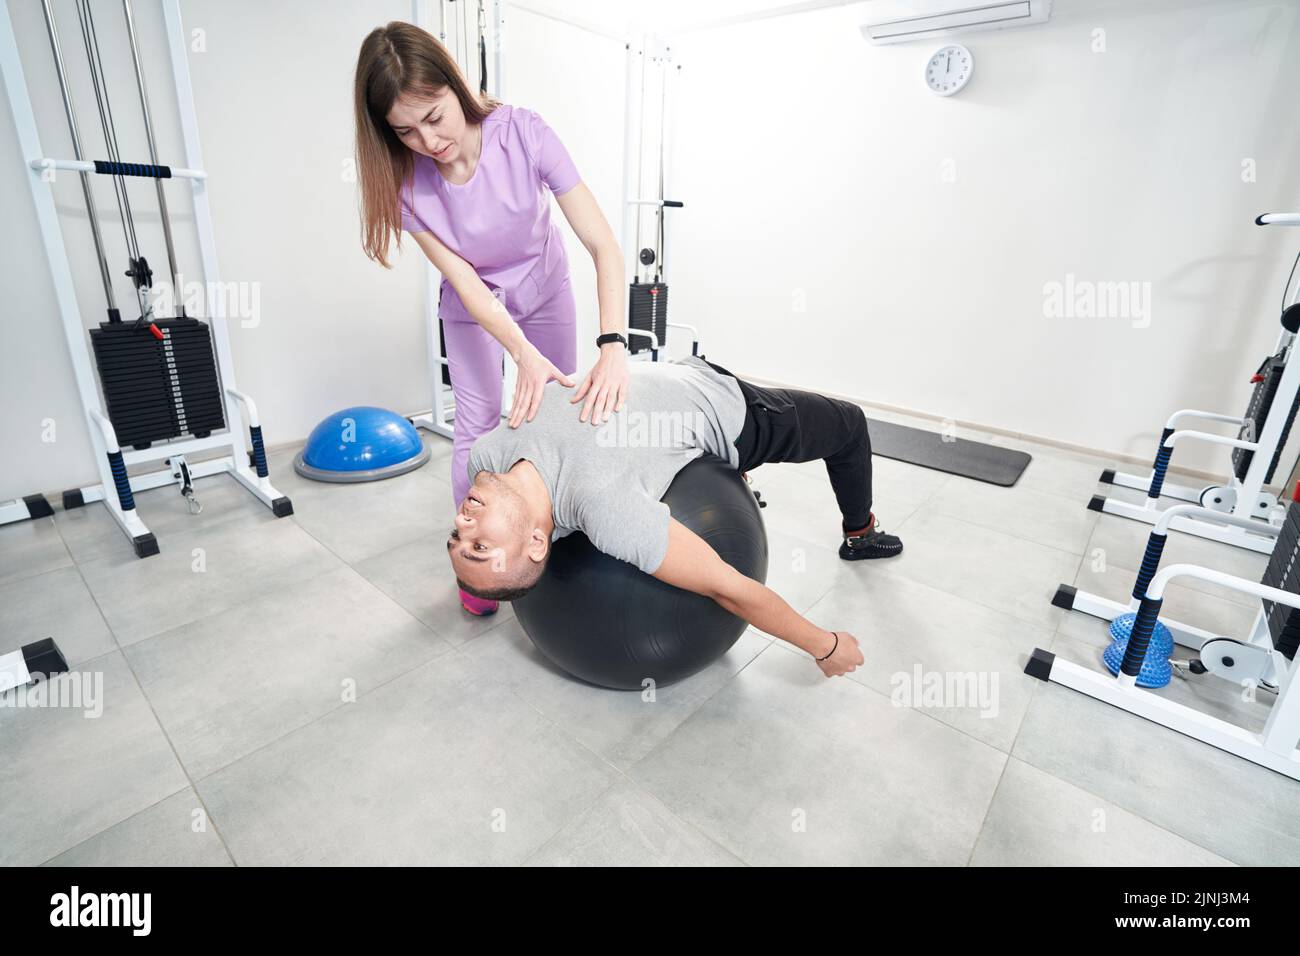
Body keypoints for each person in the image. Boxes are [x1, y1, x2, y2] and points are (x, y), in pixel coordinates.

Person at [353, 21, 632, 618]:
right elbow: (468, 286)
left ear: (455, 87)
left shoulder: (524, 133)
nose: (427, 140)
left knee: (556, 413)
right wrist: (519, 352)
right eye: (404, 130)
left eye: (434, 116)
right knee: (478, 428)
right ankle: (480, 565)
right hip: (474, 309)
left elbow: (604, 244)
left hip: (545, 284)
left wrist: (614, 343)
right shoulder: (408, 185)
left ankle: (547, 548)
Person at [447, 355, 904, 678]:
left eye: (457, 537)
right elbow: (731, 588)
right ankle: (860, 534)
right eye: (481, 547)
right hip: (735, 409)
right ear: (535, 544)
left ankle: (731, 476)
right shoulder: (607, 510)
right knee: (849, 424)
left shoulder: (484, 459)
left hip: (680, 369)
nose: (465, 524)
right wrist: (825, 646)